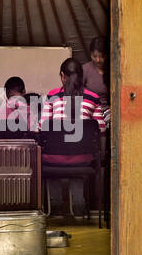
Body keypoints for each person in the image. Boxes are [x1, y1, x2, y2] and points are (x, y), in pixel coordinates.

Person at [40, 57, 107, 219]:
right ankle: (79, 206)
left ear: (63, 76)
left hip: (53, 158)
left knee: (51, 156)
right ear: (81, 75)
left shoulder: (52, 96)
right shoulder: (92, 97)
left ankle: (55, 208)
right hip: (82, 158)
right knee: (79, 155)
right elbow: (101, 129)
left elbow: (42, 127)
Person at [81, 36, 110, 112]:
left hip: (107, 110)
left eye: (101, 57)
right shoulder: (85, 69)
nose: (97, 60)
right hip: (88, 109)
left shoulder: (112, 71)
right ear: (90, 54)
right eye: (94, 56)